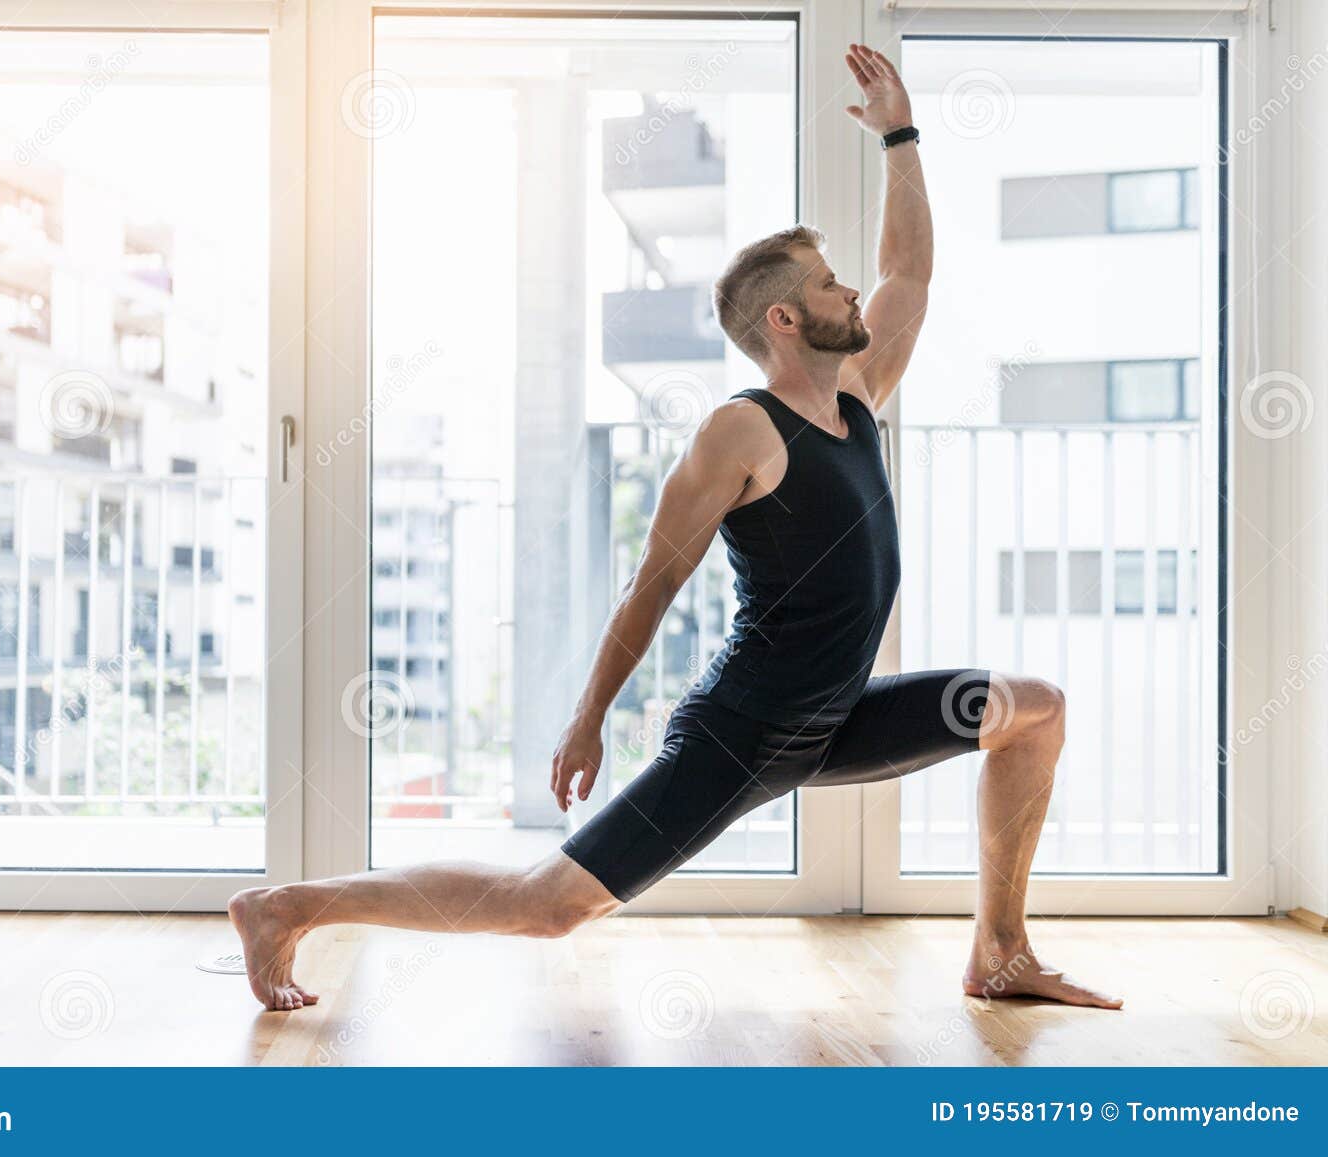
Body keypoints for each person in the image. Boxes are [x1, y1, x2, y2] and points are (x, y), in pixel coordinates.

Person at [228, 42, 1123, 1013]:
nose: (851, 293)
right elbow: (654, 579)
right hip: (745, 731)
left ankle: (998, 950)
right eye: (830, 284)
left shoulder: (858, 395)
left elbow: (907, 273)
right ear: (784, 319)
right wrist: (586, 716)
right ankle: (289, 905)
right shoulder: (741, 428)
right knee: (548, 904)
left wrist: (899, 134)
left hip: (836, 719)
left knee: (1033, 708)